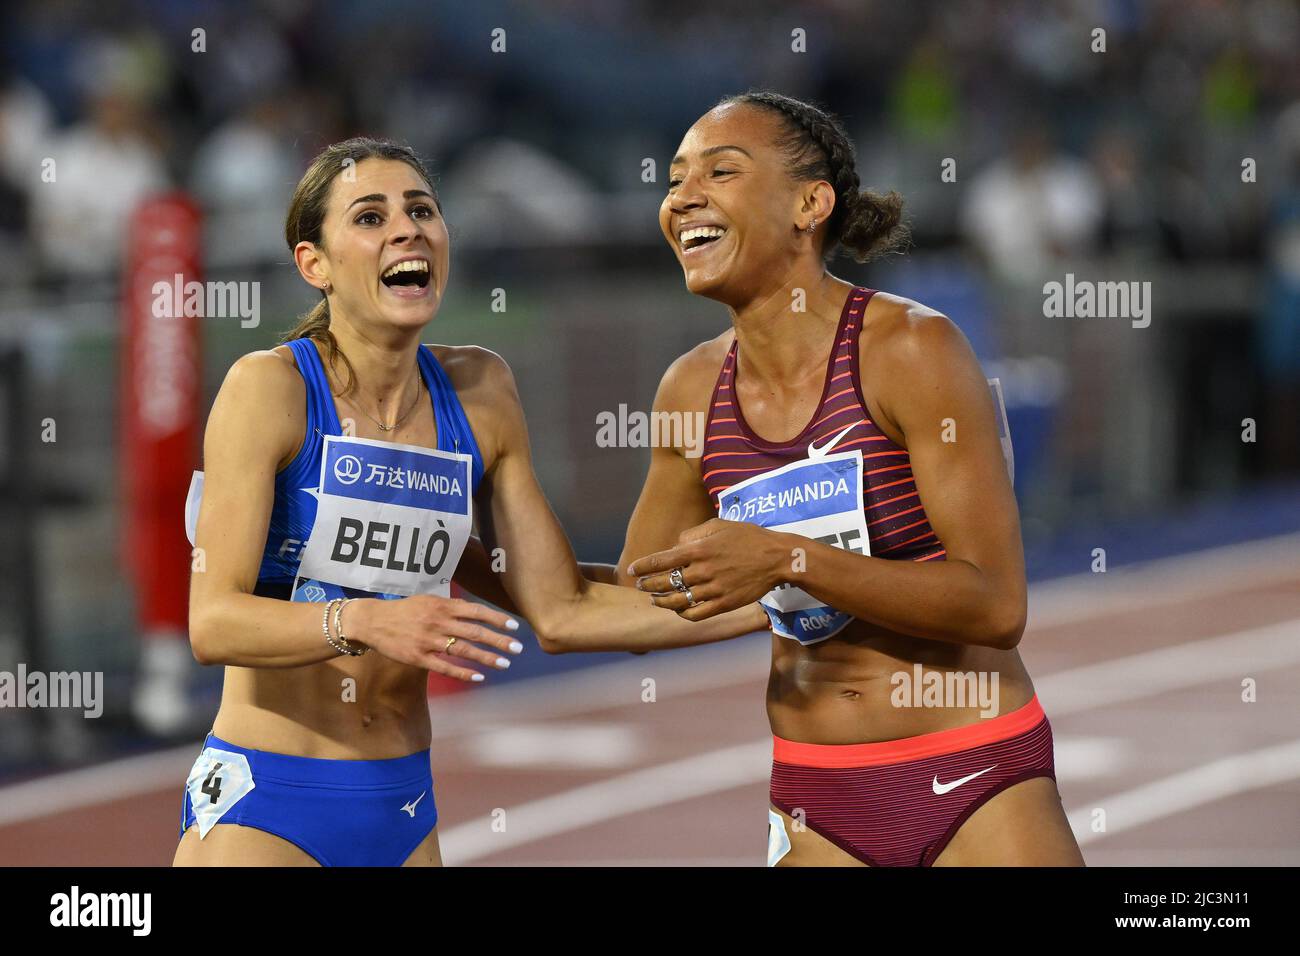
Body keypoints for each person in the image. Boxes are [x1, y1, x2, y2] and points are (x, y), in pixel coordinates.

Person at [175, 137, 765, 867]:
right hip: (269, 801)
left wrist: (785, 599)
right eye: (369, 217)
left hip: (402, 803)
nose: (406, 229)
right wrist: (368, 620)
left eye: (422, 209)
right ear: (313, 264)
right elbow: (213, 622)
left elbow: (564, 609)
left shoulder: (480, 394)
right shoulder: (270, 391)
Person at [620, 92, 1084, 866]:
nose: (683, 198)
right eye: (673, 180)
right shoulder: (689, 390)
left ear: (810, 203)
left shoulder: (911, 349)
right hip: (817, 796)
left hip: (974, 770)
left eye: (720, 171)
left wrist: (785, 560)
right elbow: (643, 598)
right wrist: (478, 550)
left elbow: (996, 604)